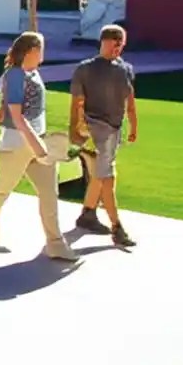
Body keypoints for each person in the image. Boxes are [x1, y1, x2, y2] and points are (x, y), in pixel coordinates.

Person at [0, 32, 79, 262]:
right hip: (17, 144)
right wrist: (37, 145)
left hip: (37, 141)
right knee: (2, 190)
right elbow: (16, 116)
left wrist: (40, 142)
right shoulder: (15, 75)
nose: (43, 53)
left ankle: (56, 244)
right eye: (41, 48)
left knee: (49, 193)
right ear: (32, 50)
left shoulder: (32, 72)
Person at [68, 24, 138, 247]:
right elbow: (76, 103)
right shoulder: (85, 69)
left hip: (114, 130)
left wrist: (133, 125)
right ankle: (117, 227)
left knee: (100, 176)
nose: (117, 47)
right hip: (94, 130)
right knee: (108, 177)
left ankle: (88, 214)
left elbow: (130, 100)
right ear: (103, 41)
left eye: (121, 44)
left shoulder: (125, 69)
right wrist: (74, 130)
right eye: (114, 42)